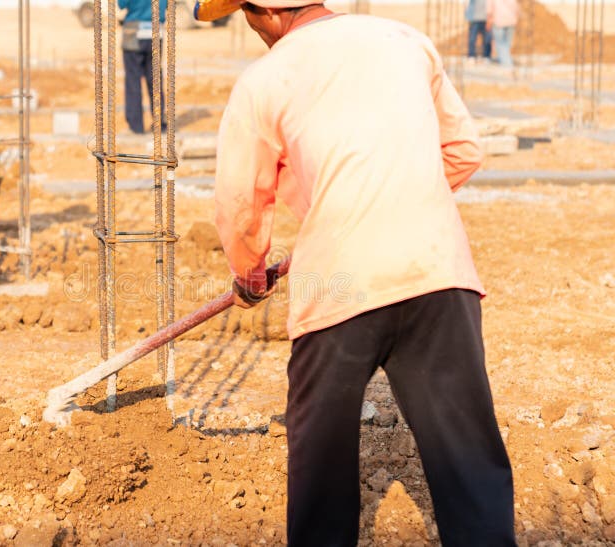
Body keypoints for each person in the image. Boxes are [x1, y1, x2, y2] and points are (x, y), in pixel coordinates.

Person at [197, 0, 516, 544]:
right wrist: (394, 198)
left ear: (267, 13)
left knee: (320, 469)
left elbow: (241, 204)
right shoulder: (404, 41)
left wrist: (249, 276)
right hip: (437, 275)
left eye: (244, 14)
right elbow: (463, 152)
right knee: (469, 461)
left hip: (339, 286)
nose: (250, 28)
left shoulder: (267, 78)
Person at [118, 0, 168, 134]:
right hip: (156, 32)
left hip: (134, 31)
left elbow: (121, 4)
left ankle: (135, 126)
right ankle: (160, 123)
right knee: (155, 79)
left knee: (133, 80)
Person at [487, 0, 519, 68]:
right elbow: (516, 8)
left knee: (500, 43)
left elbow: (489, 10)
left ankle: (506, 62)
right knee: (507, 43)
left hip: (498, 21)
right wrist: (516, 19)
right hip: (511, 21)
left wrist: (488, 22)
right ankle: (504, 59)